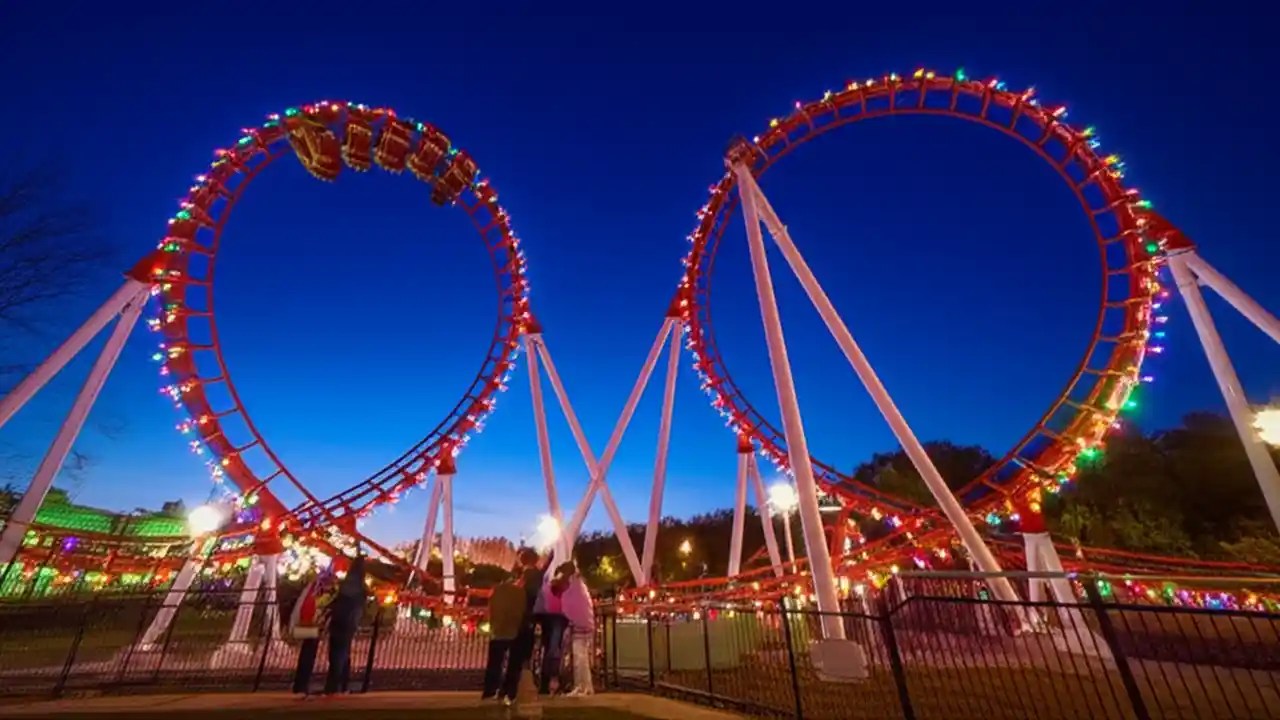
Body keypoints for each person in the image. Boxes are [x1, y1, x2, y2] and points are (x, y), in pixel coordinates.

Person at [502, 547, 548, 700]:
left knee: (517, 655)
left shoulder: (529, 576)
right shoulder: (534, 575)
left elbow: (526, 596)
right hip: (528, 619)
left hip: (524, 619)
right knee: (520, 656)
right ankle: (511, 689)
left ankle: (512, 690)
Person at [324, 554, 367, 695]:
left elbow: (336, 601)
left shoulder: (345, 585)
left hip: (338, 621)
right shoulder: (361, 587)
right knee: (343, 654)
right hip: (348, 623)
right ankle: (341, 684)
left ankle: (333, 684)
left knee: (336, 654)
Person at [482, 571, 527, 702]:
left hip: (498, 631)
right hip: (514, 630)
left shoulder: (496, 592)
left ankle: (490, 690)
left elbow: (492, 611)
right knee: (513, 664)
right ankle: (510, 691)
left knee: (495, 663)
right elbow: (522, 610)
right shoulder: (520, 593)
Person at [289, 569, 333, 696]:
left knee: (306, 654)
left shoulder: (311, 589)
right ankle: (301, 685)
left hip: (306, 623)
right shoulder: (318, 592)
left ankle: (300, 684)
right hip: (311, 624)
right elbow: (317, 607)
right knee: (308, 655)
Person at [534, 562, 572, 694]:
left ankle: (546, 682)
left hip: (550, 618)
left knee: (551, 651)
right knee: (554, 651)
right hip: (557, 618)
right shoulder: (562, 586)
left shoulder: (549, 586)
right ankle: (553, 681)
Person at [559, 562, 595, 696]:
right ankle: (582, 686)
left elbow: (569, 607)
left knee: (580, 658)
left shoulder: (572, 587)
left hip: (580, 626)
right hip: (585, 624)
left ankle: (584, 687)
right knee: (581, 657)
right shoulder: (579, 585)